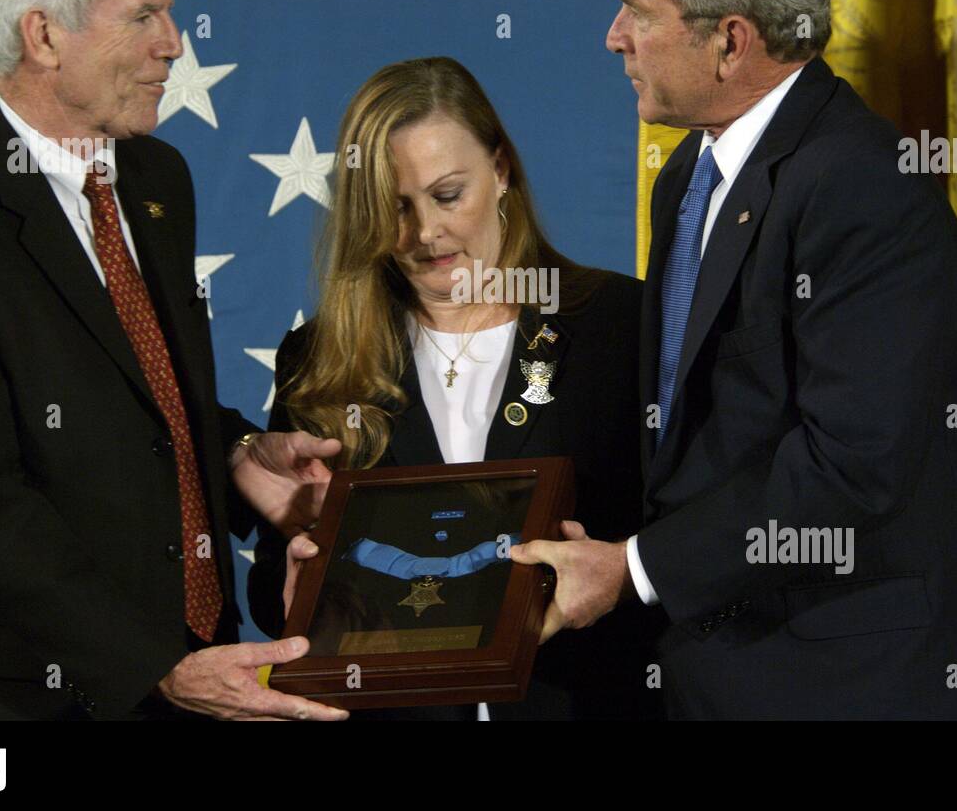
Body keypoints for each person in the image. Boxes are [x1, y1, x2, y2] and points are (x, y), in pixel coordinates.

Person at [511, 0, 957, 719]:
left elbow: (850, 468)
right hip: (721, 671)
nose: (613, 38)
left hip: (854, 684)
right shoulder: (690, 175)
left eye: (637, 10)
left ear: (730, 41)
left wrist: (636, 568)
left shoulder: (867, 187)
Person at [0, 0, 346, 721]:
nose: (174, 44)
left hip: (186, 678)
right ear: (43, 35)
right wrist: (157, 664)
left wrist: (235, 452)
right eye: (145, 16)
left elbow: (137, 396)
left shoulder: (158, 180)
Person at [248, 57, 666, 720]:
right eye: (394, 209)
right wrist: (297, 588)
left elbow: (693, 537)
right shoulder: (320, 357)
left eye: (448, 195)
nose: (425, 234)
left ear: (501, 171)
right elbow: (278, 570)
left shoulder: (623, 324)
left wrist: (617, 567)